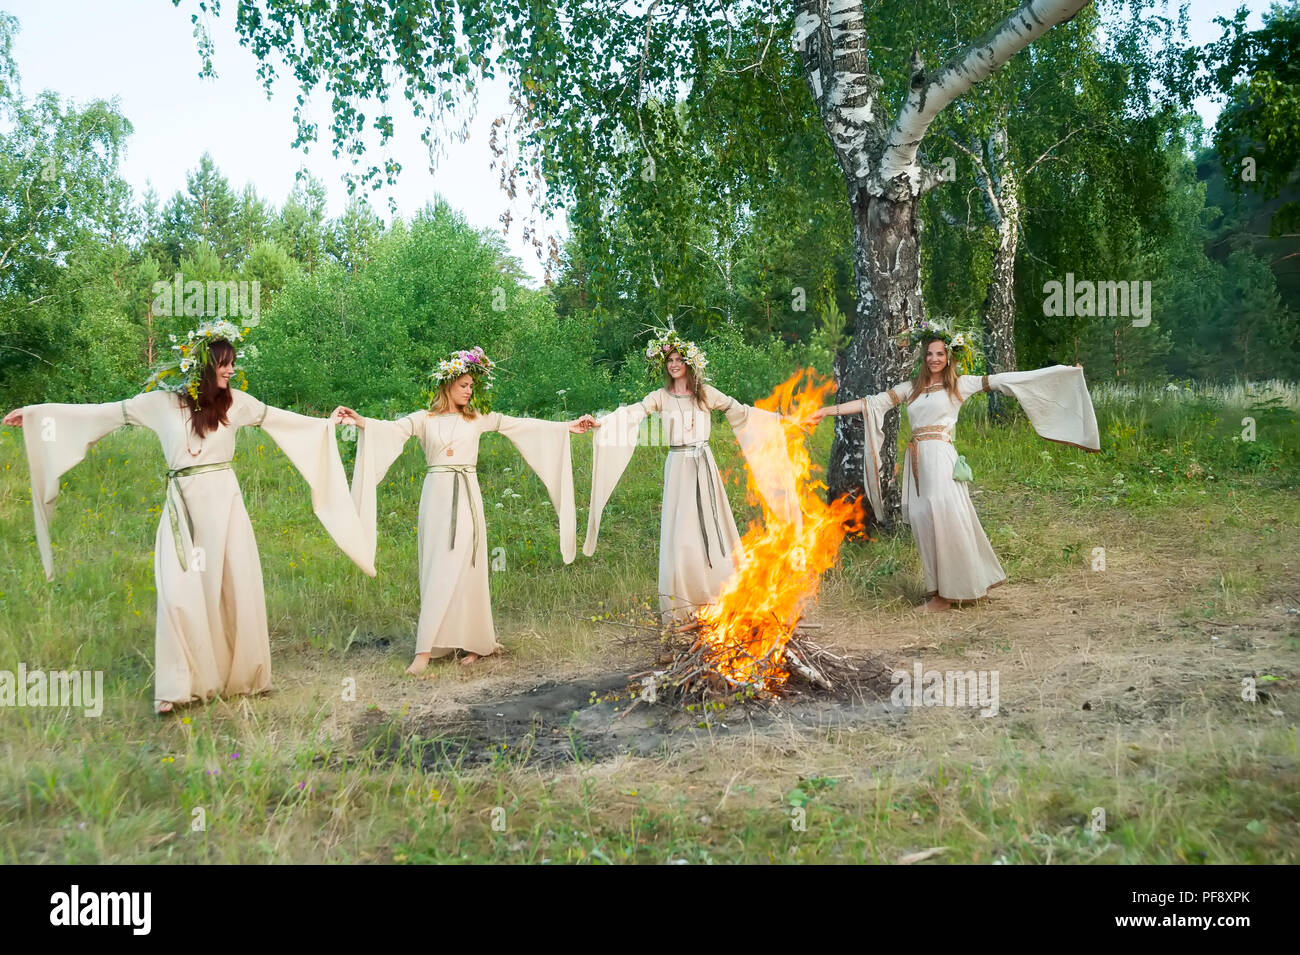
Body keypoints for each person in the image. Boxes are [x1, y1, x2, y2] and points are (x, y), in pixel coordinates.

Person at [3, 320, 374, 712]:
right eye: (223, 364)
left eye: (232, 363)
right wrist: (37, 414)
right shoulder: (161, 404)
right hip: (183, 505)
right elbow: (102, 414)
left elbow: (285, 421)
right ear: (202, 366)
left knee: (232, 586)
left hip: (225, 504)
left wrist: (328, 426)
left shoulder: (238, 403)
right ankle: (177, 686)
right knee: (179, 592)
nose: (231, 370)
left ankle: (241, 677)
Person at [335, 346, 595, 673]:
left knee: (467, 568)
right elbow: (390, 429)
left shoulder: (477, 418)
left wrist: (566, 427)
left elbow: (520, 425)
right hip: (437, 497)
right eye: (464, 385)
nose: (470, 391)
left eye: (472, 386)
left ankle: (473, 643)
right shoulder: (423, 419)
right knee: (437, 566)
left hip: (468, 496)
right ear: (447, 386)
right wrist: (360, 421)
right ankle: (426, 650)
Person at [812, 321, 1099, 611]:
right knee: (924, 518)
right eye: (929, 354)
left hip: (940, 456)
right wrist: (826, 410)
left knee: (943, 515)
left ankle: (945, 598)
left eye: (939, 354)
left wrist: (1063, 372)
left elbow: (1006, 379)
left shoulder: (960, 384)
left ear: (948, 357)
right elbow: (871, 403)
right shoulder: (911, 388)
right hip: (917, 460)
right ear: (923, 357)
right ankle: (946, 586)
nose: (934, 359)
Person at [584, 326, 799, 626]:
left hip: (704, 464)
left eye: (678, 360)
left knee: (711, 528)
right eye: (669, 360)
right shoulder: (660, 396)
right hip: (679, 466)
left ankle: (719, 592)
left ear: (689, 364)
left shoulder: (705, 394)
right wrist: (600, 423)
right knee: (681, 534)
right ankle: (684, 600)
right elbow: (632, 413)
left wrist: (777, 421)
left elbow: (740, 411)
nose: (673, 364)